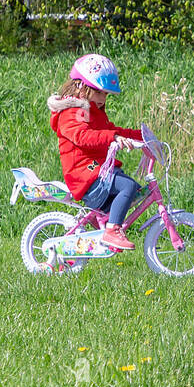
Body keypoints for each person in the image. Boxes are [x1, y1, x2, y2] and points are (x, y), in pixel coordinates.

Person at [47, 53, 144, 251]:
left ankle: (105, 221)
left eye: (106, 94)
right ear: (83, 87)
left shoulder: (93, 110)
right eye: (101, 92)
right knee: (127, 187)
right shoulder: (70, 113)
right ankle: (112, 230)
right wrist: (113, 138)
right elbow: (84, 137)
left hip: (97, 169)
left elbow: (109, 130)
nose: (104, 98)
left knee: (134, 189)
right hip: (84, 174)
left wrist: (140, 135)